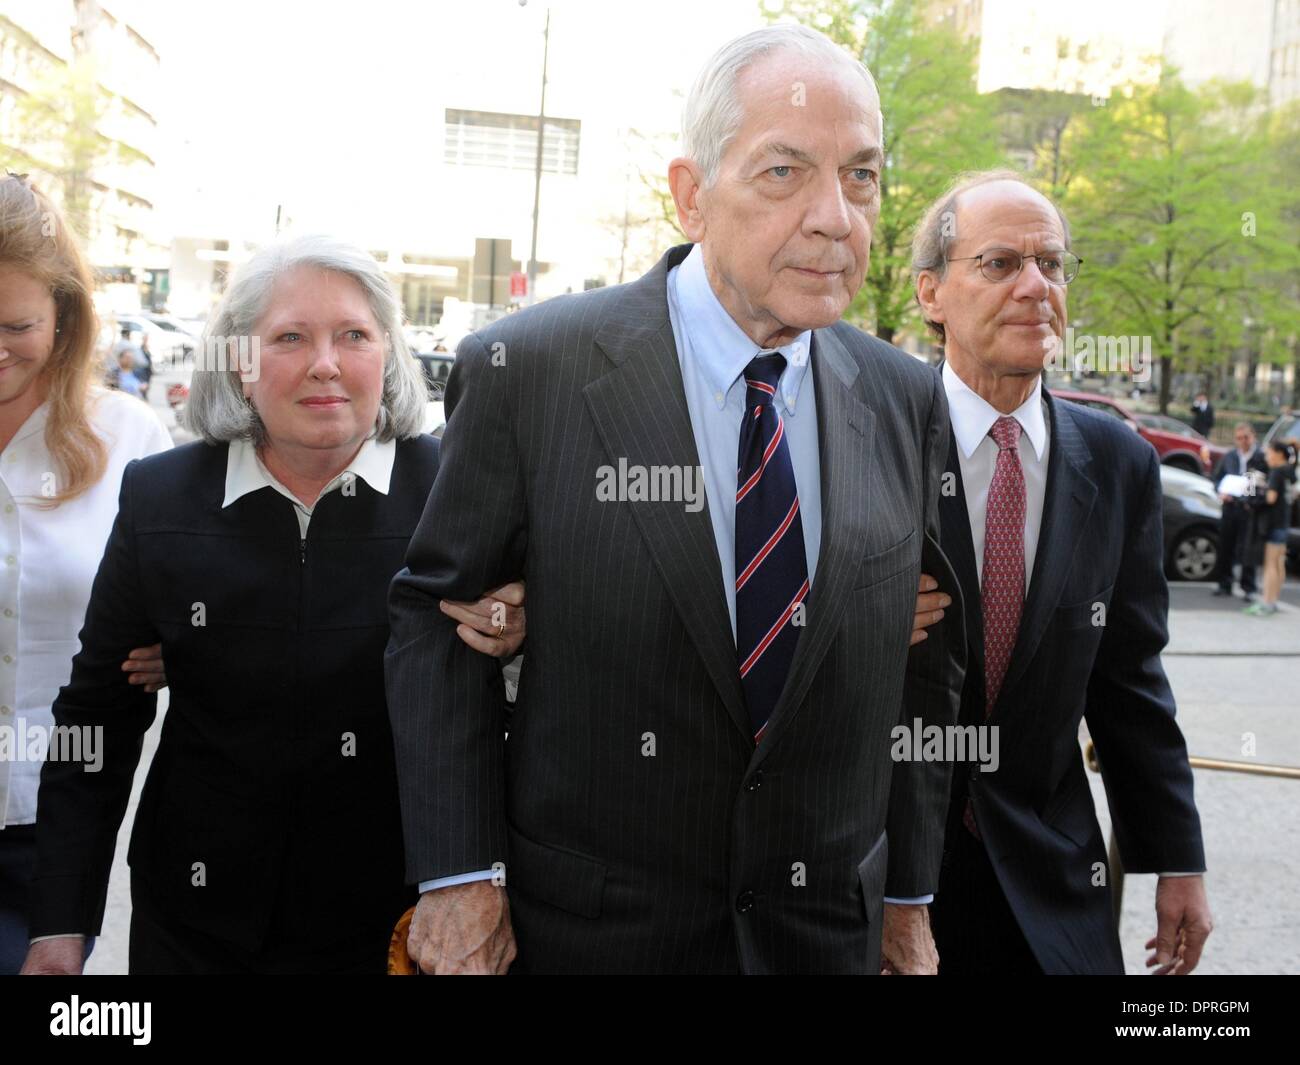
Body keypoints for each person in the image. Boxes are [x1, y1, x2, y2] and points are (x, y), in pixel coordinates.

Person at [385, 24, 967, 976]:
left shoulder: (902, 396)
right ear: (692, 194)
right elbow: (434, 625)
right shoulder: (534, 370)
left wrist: (906, 897)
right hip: (594, 935)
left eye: (860, 176)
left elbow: (919, 668)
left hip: (823, 937)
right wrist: (459, 874)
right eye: (785, 173)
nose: (835, 216)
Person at [20, 235, 526, 975]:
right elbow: (96, 715)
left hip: (402, 926)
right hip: (196, 925)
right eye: (290, 337)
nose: (326, 363)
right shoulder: (161, 495)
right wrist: (60, 925)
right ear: (240, 363)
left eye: (353, 335)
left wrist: (523, 632)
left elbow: (544, 696)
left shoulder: (462, 492)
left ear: (387, 354)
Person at [912, 169, 1212, 975]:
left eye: (1052, 263)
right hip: (883, 882)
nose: (1036, 286)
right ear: (930, 293)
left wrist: (1176, 856)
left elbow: (1130, 680)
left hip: (1051, 886)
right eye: (1001, 263)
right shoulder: (869, 437)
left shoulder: (1117, 462)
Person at [0, 173, 171, 974]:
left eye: (16, 324)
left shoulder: (129, 437)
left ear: (64, 317)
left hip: (56, 817)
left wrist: (184, 643)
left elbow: (205, 592)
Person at [1211, 422, 1269, 601]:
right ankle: (1224, 583)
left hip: (1249, 509)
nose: (1243, 441)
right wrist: (1222, 491)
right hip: (1230, 507)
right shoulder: (1229, 456)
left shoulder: (1261, 457)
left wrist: (1250, 497)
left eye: (1246, 437)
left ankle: (1249, 586)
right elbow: (1217, 479)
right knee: (1226, 545)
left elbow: (1262, 484)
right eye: (1239, 438)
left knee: (1248, 548)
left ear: (1253, 437)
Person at [1244, 438, 1297, 617]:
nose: (1266, 456)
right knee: (1279, 563)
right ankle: (1273, 600)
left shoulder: (1276, 472)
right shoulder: (1290, 470)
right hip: (1284, 521)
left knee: (1270, 565)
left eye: (1269, 452)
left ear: (1278, 453)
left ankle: (1267, 602)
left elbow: (1271, 499)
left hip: (1273, 524)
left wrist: (1261, 490)